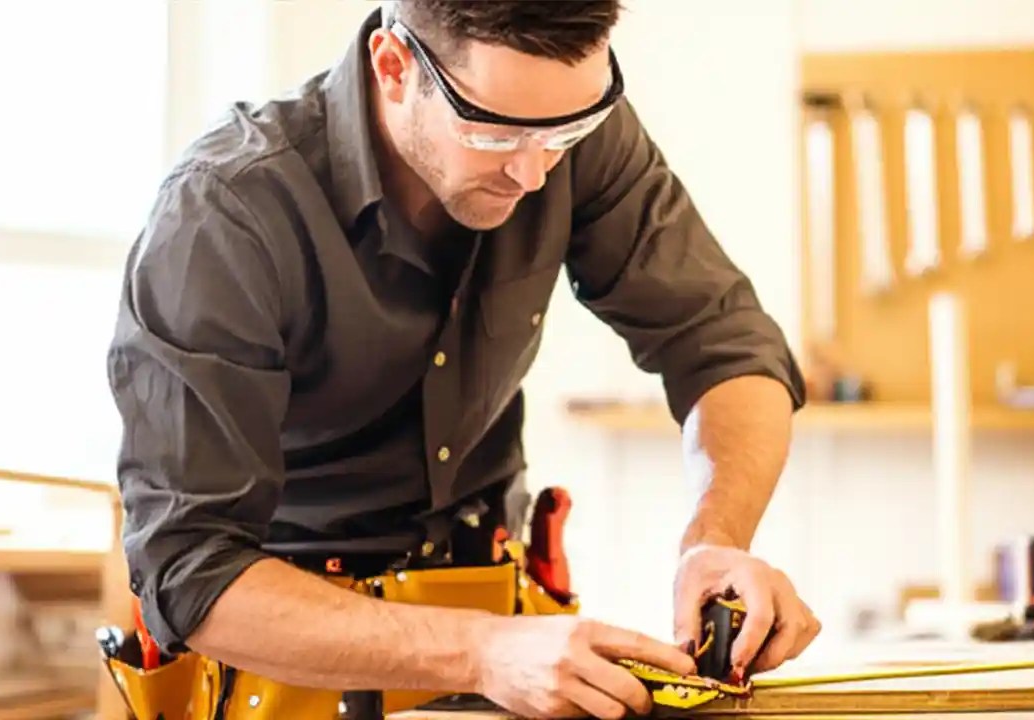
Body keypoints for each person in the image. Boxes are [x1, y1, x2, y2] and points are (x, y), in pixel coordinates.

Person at [105, 1, 819, 718]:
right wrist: (480, 651)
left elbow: (726, 344)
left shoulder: (553, 126)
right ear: (394, 67)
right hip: (282, 658)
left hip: (495, 621)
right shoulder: (224, 214)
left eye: (567, 133)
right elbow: (189, 572)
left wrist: (714, 542)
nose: (534, 174)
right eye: (491, 132)